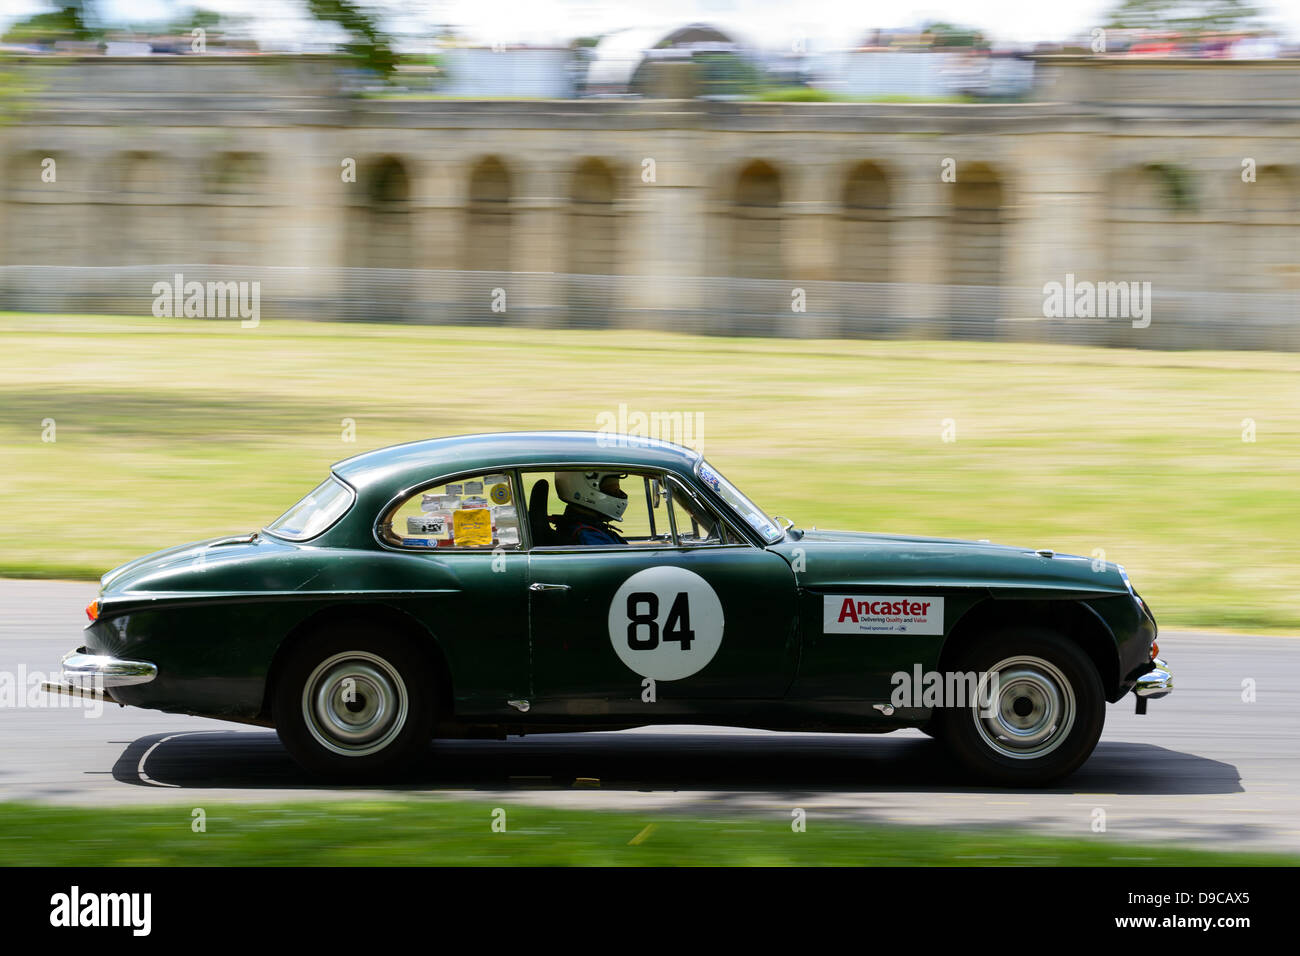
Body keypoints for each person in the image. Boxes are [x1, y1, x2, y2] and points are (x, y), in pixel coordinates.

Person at [552, 471, 629, 545]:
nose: (619, 494)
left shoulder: (589, 528)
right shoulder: (590, 536)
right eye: (615, 490)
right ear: (587, 490)